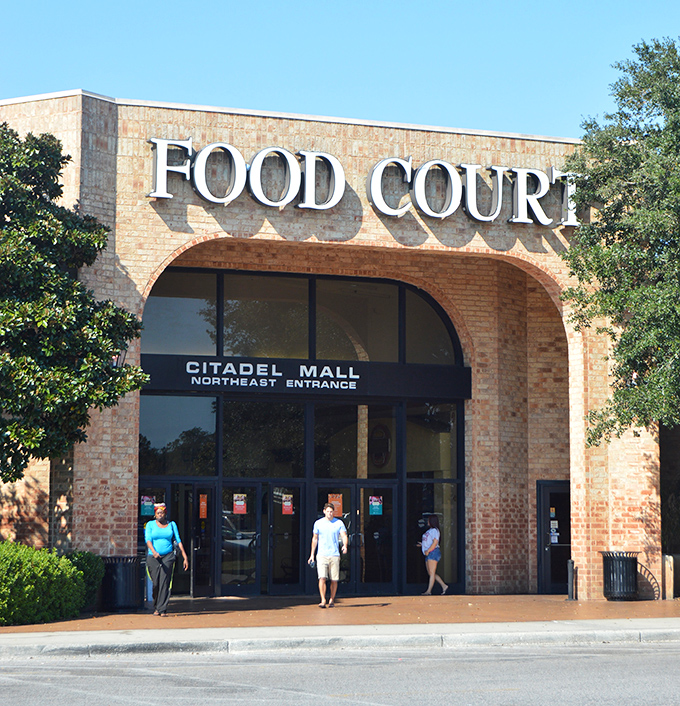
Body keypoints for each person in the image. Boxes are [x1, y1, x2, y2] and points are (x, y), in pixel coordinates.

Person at [145, 503, 188, 616]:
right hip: (153, 557)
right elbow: (148, 539)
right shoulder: (150, 525)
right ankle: (156, 605)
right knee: (156, 583)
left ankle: (162, 609)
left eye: (162, 513)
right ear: (155, 514)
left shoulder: (172, 525)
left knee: (165, 582)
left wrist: (185, 556)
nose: (160, 515)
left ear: (165, 514)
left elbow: (178, 540)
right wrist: (154, 551)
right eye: (158, 513)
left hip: (168, 556)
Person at [308, 502, 348, 608]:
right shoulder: (318, 523)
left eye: (331, 512)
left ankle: (332, 599)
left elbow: (344, 535)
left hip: (334, 554)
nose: (330, 513)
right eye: (328, 511)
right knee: (322, 578)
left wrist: (345, 545)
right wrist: (312, 554)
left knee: (334, 579)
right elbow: (315, 539)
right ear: (324, 511)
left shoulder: (338, 523)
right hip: (321, 554)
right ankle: (323, 599)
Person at [418, 514, 448, 595]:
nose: (427, 522)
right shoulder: (430, 530)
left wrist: (428, 550)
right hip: (429, 552)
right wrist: (423, 545)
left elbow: (435, 542)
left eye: (429, 520)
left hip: (433, 552)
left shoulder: (435, 530)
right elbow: (430, 541)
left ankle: (429, 591)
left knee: (431, 573)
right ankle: (444, 586)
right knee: (431, 573)